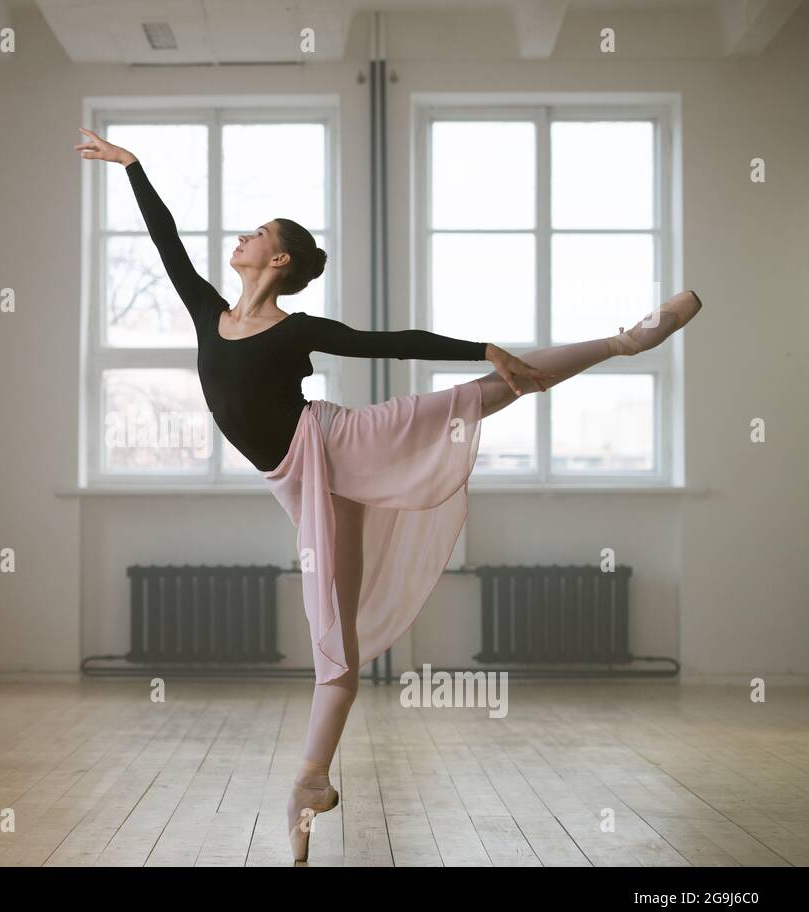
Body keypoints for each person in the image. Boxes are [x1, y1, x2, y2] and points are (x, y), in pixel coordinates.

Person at [75, 127, 702, 862]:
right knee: (333, 644)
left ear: (277, 259)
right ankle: (312, 781)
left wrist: (482, 347)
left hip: (341, 444)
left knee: (482, 393)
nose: (242, 238)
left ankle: (626, 341)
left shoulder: (295, 328)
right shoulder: (208, 309)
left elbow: (389, 341)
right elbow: (165, 241)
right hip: (303, 487)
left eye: (256, 232)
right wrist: (133, 167)